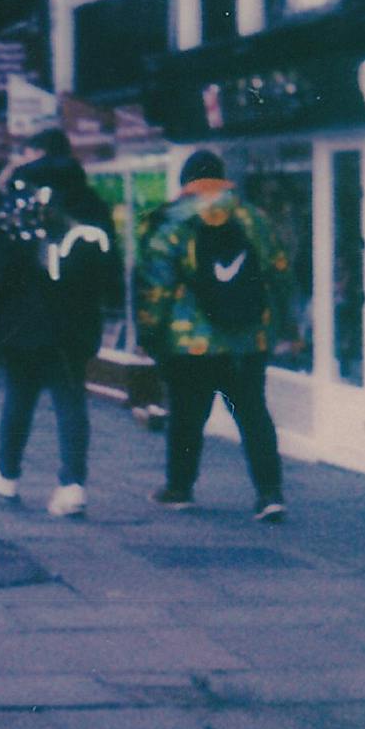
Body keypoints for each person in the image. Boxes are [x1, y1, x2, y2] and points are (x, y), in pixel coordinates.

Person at [135, 146, 291, 521]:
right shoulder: (255, 218)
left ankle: (179, 487)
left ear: (185, 181)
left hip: (188, 343)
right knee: (253, 414)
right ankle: (270, 494)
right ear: (223, 177)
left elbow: (154, 286)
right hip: (247, 340)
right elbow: (280, 274)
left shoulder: (166, 221)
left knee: (186, 416)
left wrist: (148, 334)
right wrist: (286, 328)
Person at [0, 130, 117, 518]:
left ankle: (7, 477)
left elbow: (2, 264)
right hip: (76, 322)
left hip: (24, 320)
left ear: (39, 153)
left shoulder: (21, 198)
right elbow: (110, 266)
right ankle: (73, 487)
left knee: (19, 398)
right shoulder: (90, 201)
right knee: (70, 400)